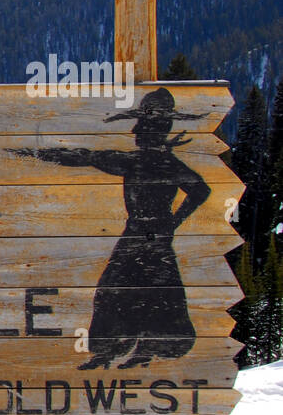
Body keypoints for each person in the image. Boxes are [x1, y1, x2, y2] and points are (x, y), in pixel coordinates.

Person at [11, 87, 209, 370]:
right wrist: (173, 223)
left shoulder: (147, 162)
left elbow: (88, 156)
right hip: (147, 232)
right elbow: (200, 191)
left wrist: (174, 222)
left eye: (143, 124)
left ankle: (126, 347)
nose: (136, 130)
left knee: (124, 288)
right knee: (150, 290)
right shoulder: (165, 163)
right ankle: (130, 348)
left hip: (144, 233)